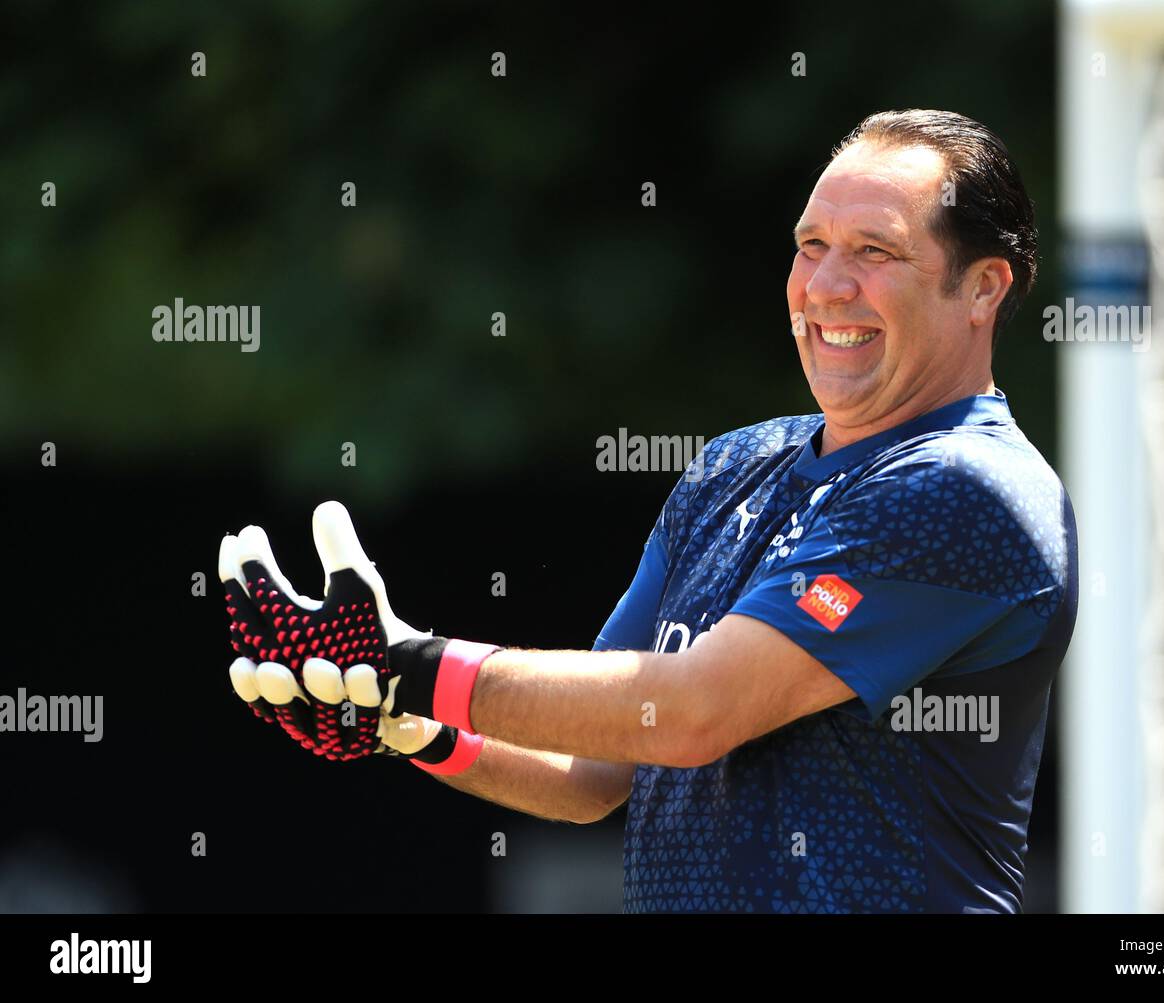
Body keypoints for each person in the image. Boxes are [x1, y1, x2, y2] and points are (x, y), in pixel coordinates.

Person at [221, 108, 1078, 914]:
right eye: (810, 244)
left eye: (875, 252)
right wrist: (404, 719)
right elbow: (595, 768)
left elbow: (694, 709)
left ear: (982, 288)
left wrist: (409, 658)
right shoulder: (732, 466)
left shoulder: (967, 486)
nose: (825, 286)